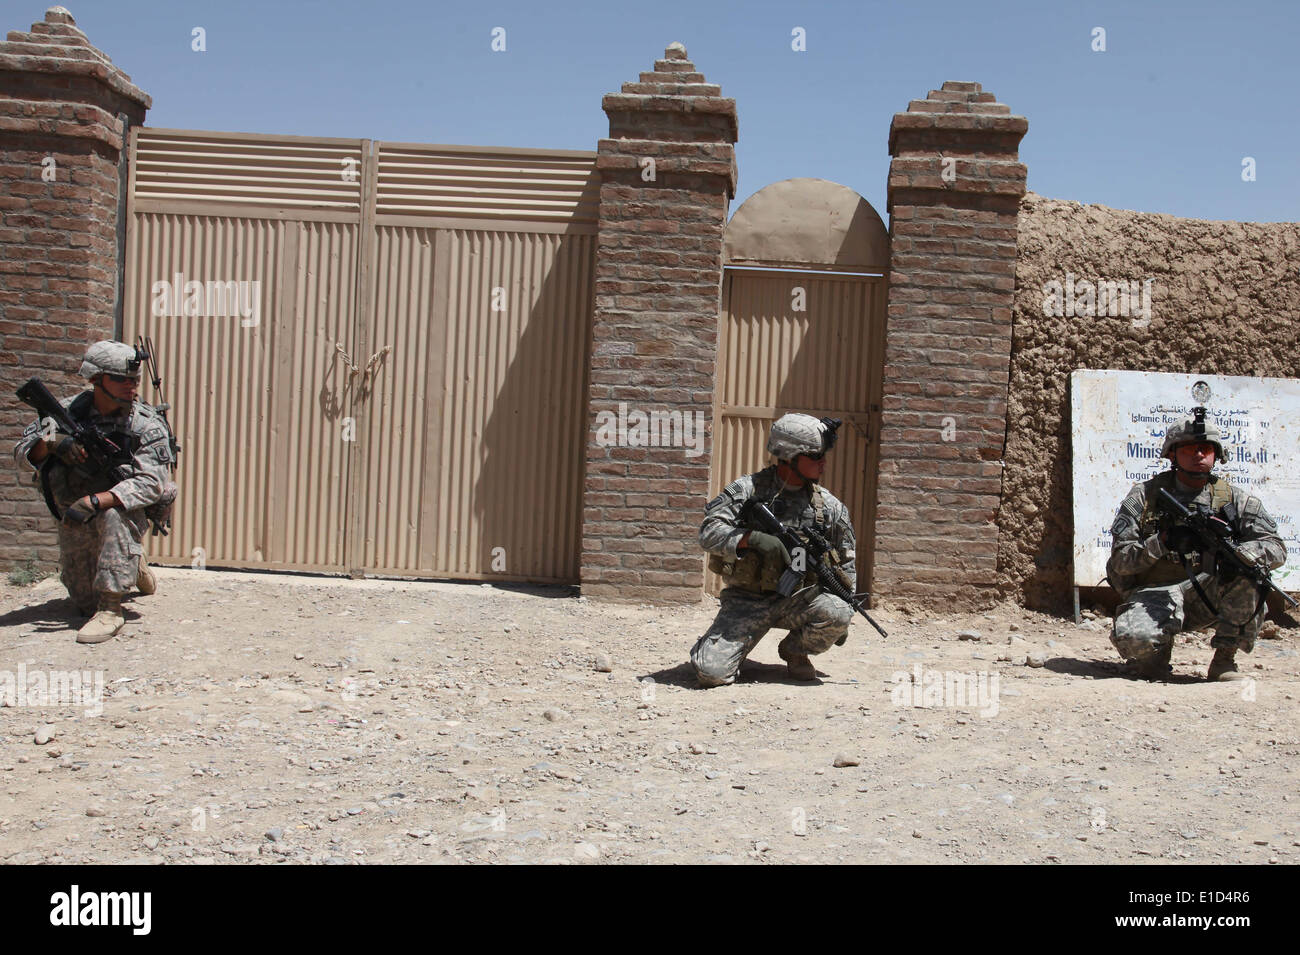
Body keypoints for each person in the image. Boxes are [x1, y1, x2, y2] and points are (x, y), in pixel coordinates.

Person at [13, 341, 176, 644]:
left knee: (114, 513)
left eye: (134, 380)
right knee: (81, 604)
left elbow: (151, 482)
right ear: (95, 379)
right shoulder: (64, 414)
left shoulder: (144, 424)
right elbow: (22, 455)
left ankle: (112, 609)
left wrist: (96, 501)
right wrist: (53, 444)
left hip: (118, 508)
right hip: (74, 512)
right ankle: (131, 563)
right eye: (121, 379)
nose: (131, 386)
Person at [1106, 408, 1286, 681]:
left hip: (1207, 595)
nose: (1198, 454)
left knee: (1252, 576)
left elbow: (1275, 546)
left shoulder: (1233, 500)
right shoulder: (1145, 497)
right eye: (1189, 449)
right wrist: (1162, 542)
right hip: (1154, 593)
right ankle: (1155, 656)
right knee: (1136, 639)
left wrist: (1243, 554)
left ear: (1217, 454)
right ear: (1172, 454)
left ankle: (1224, 661)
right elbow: (1120, 561)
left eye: (1205, 448)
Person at [690, 413, 858, 686]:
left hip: (797, 600)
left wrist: (844, 609)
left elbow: (846, 562)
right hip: (747, 600)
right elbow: (708, 533)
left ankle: (795, 651)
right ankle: (721, 645)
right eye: (816, 456)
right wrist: (751, 539)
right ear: (790, 455)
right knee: (710, 673)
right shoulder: (747, 490)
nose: (823, 462)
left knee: (838, 612)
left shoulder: (829, 507)